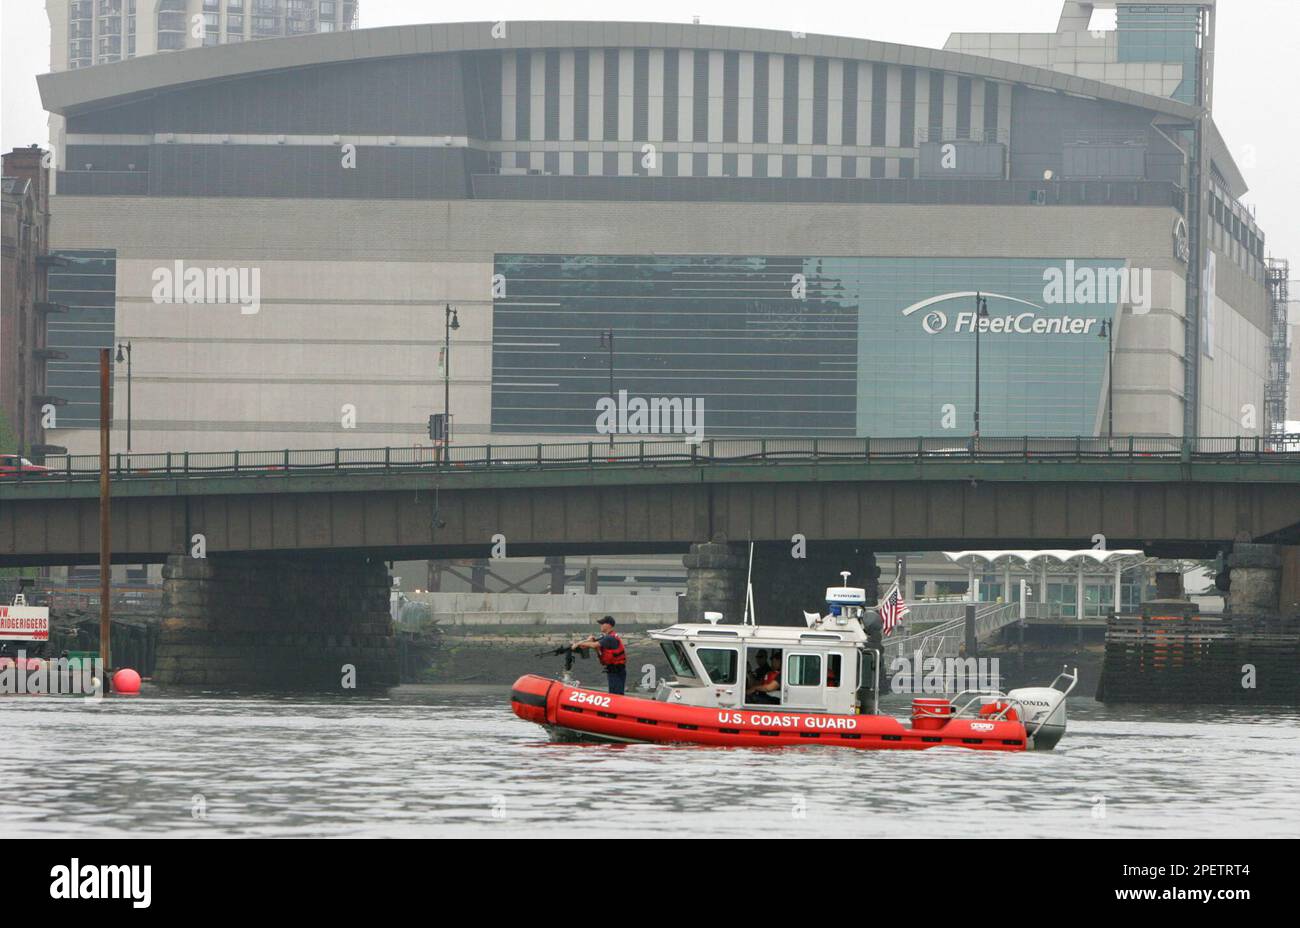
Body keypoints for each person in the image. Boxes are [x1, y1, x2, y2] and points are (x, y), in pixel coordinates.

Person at [571, 616, 627, 695]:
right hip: (613, 670)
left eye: (602, 623)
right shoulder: (606, 637)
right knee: (614, 694)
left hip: (616, 671)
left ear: (608, 625)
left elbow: (594, 645)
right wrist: (586, 642)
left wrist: (578, 643)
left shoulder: (610, 638)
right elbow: (594, 645)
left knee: (616, 695)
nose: (600, 625)